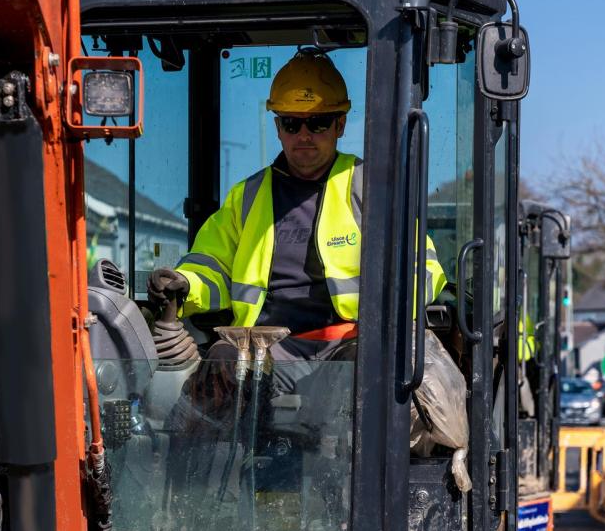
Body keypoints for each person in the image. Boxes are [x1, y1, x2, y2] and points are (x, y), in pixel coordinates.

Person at [147, 49, 446, 365]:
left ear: (339, 125)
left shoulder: (371, 189)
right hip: (263, 349)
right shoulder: (246, 197)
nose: (304, 135)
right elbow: (213, 265)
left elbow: (423, 268)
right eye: (291, 124)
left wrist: (390, 310)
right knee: (218, 369)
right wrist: (185, 285)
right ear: (278, 128)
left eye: (317, 123)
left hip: (349, 347)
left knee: (363, 377)